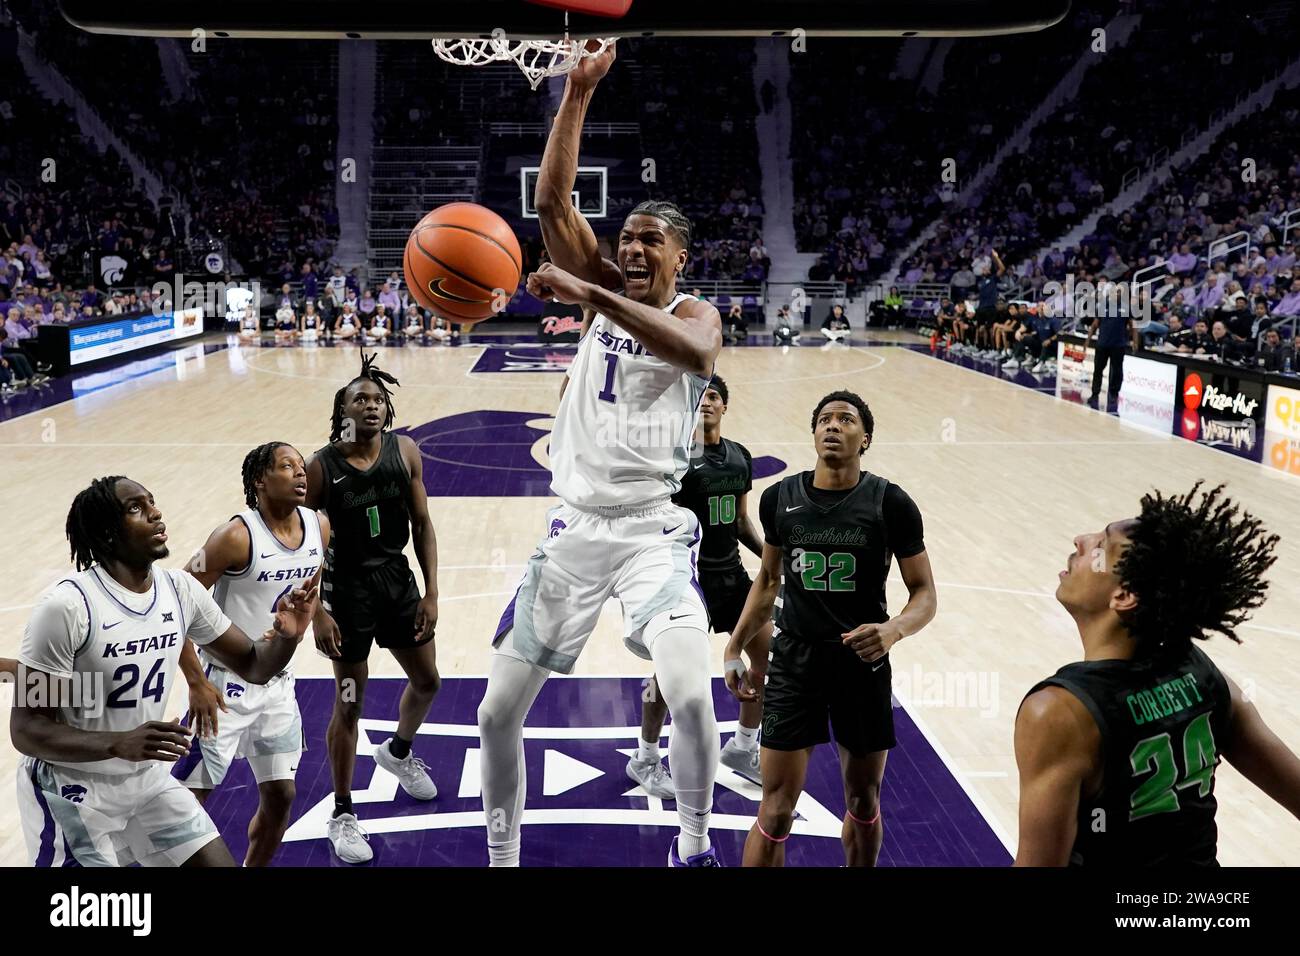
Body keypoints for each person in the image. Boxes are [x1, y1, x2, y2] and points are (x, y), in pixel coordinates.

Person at [478, 40, 727, 868]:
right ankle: (503, 857)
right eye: (625, 236)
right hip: (574, 532)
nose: (631, 248)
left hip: (653, 533)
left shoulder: (697, 314)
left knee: (692, 696)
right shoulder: (609, 291)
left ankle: (691, 848)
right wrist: (576, 94)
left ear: (680, 257)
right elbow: (552, 203)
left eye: (649, 240)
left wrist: (590, 294)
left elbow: (696, 359)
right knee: (493, 714)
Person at [11, 477, 320, 867]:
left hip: (146, 779)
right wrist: (116, 742)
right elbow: (26, 729)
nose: (156, 512)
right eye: (136, 508)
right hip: (72, 788)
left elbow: (255, 665)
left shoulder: (180, 590)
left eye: (152, 502)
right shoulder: (65, 608)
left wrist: (288, 637)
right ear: (107, 533)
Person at [1014, 484, 1299, 866]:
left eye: (1100, 545)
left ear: (1124, 596)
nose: (1080, 540)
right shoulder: (1206, 677)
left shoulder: (1058, 713)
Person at [724, 391, 937, 866]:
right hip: (795, 663)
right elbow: (768, 580)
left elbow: (925, 594)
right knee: (776, 810)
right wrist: (735, 646)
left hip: (861, 666)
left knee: (863, 800)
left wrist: (894, 629)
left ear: (866, 438)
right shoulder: (780, 498)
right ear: (814, 433)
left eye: (846, 419)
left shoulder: (891, 503)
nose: (833, 426)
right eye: (824, 419)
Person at [306, 353, 442, 864]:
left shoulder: (405, 451)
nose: (371, 405)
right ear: (341, 411)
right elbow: (303, 544)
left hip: (397, 583)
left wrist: (431, 592)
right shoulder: (321, 467)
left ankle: (399, 752)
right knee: (349, 703)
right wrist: (318, 609)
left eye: (377, 399)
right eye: (359, 399)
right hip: (348, 593)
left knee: (428, 681)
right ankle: (342, 813)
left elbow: (424, 525)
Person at [173, 443, 328, 866]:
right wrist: (196, 682)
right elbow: (174, 607)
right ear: (260, 480)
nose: (301, 474)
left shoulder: (318, 525)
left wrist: (321, 618)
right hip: (224, 684)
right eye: (287, 466)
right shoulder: (234, 537)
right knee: (188, 801)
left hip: (278, 683)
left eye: (302, 466)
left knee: (281, 795)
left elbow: (311, 585)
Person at [627, 375, 771, 797]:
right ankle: (646, 756)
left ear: (725, 407)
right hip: (685, 580)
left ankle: (743, 747)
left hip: (732, 578)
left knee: (769, 661)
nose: (706, 402)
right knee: (667, 679)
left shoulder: (740, 457)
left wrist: (771, 559)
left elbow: (741, 520)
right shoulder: (672, 458)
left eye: (714, 396)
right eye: (700, 396)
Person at [1084, 304, 1135, 409]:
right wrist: (1088, 340)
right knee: (1098, 370)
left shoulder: (1127, 308)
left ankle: (1113, 394)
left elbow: (1132, 326)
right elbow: (1095, 324)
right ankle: (1094, 394)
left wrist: (1135, 341)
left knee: (1116, 370)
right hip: (1102, 344)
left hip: (1118, 345)